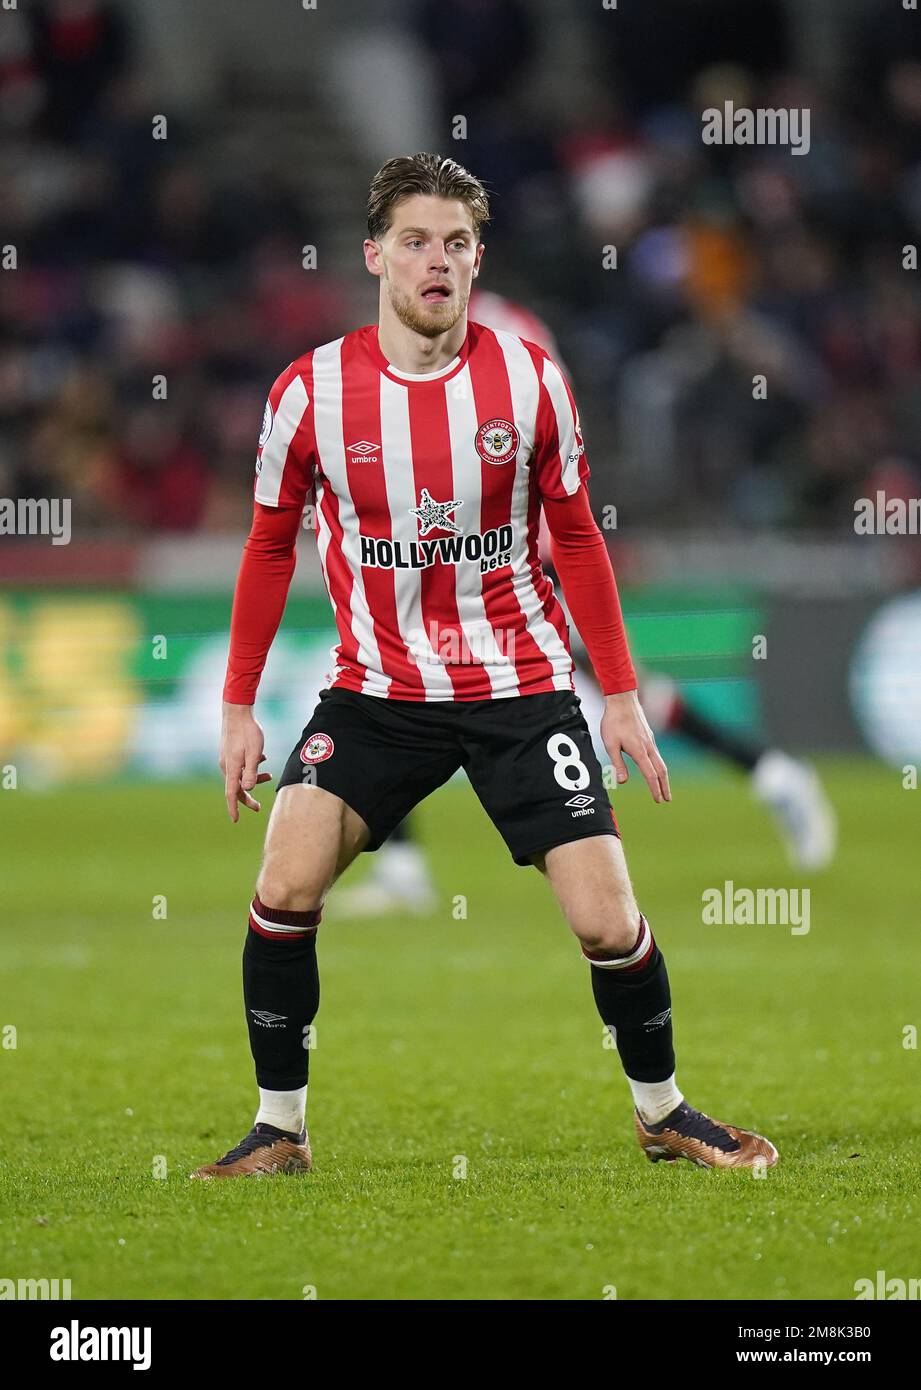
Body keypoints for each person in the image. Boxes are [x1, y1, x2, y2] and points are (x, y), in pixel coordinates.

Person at [191, 153, 777, 1180]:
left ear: (478, 259)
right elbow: (268, 545)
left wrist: (626, 697)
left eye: (456, 243)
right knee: (283, 887)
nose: (437, 262)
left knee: (608, 919)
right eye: (415, 241)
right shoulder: (311, 393)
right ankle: (280, 1129)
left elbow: (582, 539)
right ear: (374, 256)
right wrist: (239, 704)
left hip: (521, 688)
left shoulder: (530, 379)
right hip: (377, 691)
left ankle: (663, 1110)